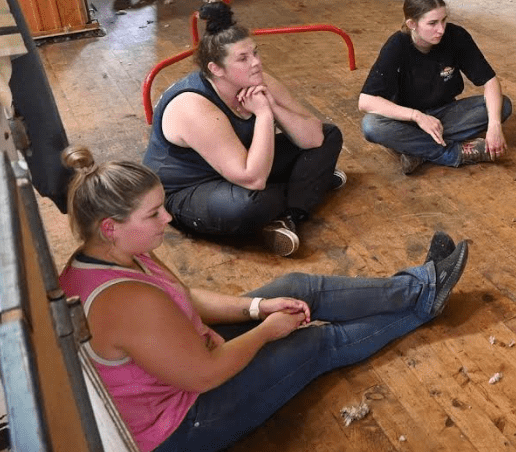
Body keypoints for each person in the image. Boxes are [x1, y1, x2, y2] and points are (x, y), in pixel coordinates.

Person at [56, 146, 470, 452]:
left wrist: (256, 308)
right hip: (183, 422)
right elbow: (204, 376)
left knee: (298, 287)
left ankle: (422, 287)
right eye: (154, 214)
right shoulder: (124, 300)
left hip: (191, 356)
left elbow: (183, 297)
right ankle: (424, 303)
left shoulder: (120, 251)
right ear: (110, 227)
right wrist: (266, 331)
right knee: (315, 341)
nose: (167, 217)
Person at [143, 0, 344, 257]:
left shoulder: (257, 80)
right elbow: (254, 179)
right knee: (253, 203)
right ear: (216, 69)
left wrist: (273, 106)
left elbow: (314, 138)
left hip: (241, 162)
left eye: (255, 53)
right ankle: (308, 186)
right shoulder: (193, 106)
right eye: (243, 58)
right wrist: (263, 115)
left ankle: (289, 216)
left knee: (329, 135)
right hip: (191, 189)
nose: (256, 63)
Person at [360, 0, 511, 175]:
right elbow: (365, 101)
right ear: (412, 24)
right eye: (432, 23)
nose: (441, 29)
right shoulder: (396, 46)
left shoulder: (456, 36)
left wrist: (494, 126)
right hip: (407, 120)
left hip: (446, 114)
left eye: (443, 20)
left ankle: (416, 150)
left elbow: (490, 81)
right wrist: (417, 116)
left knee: (503, 105)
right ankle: (453, 153)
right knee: (371, 126)